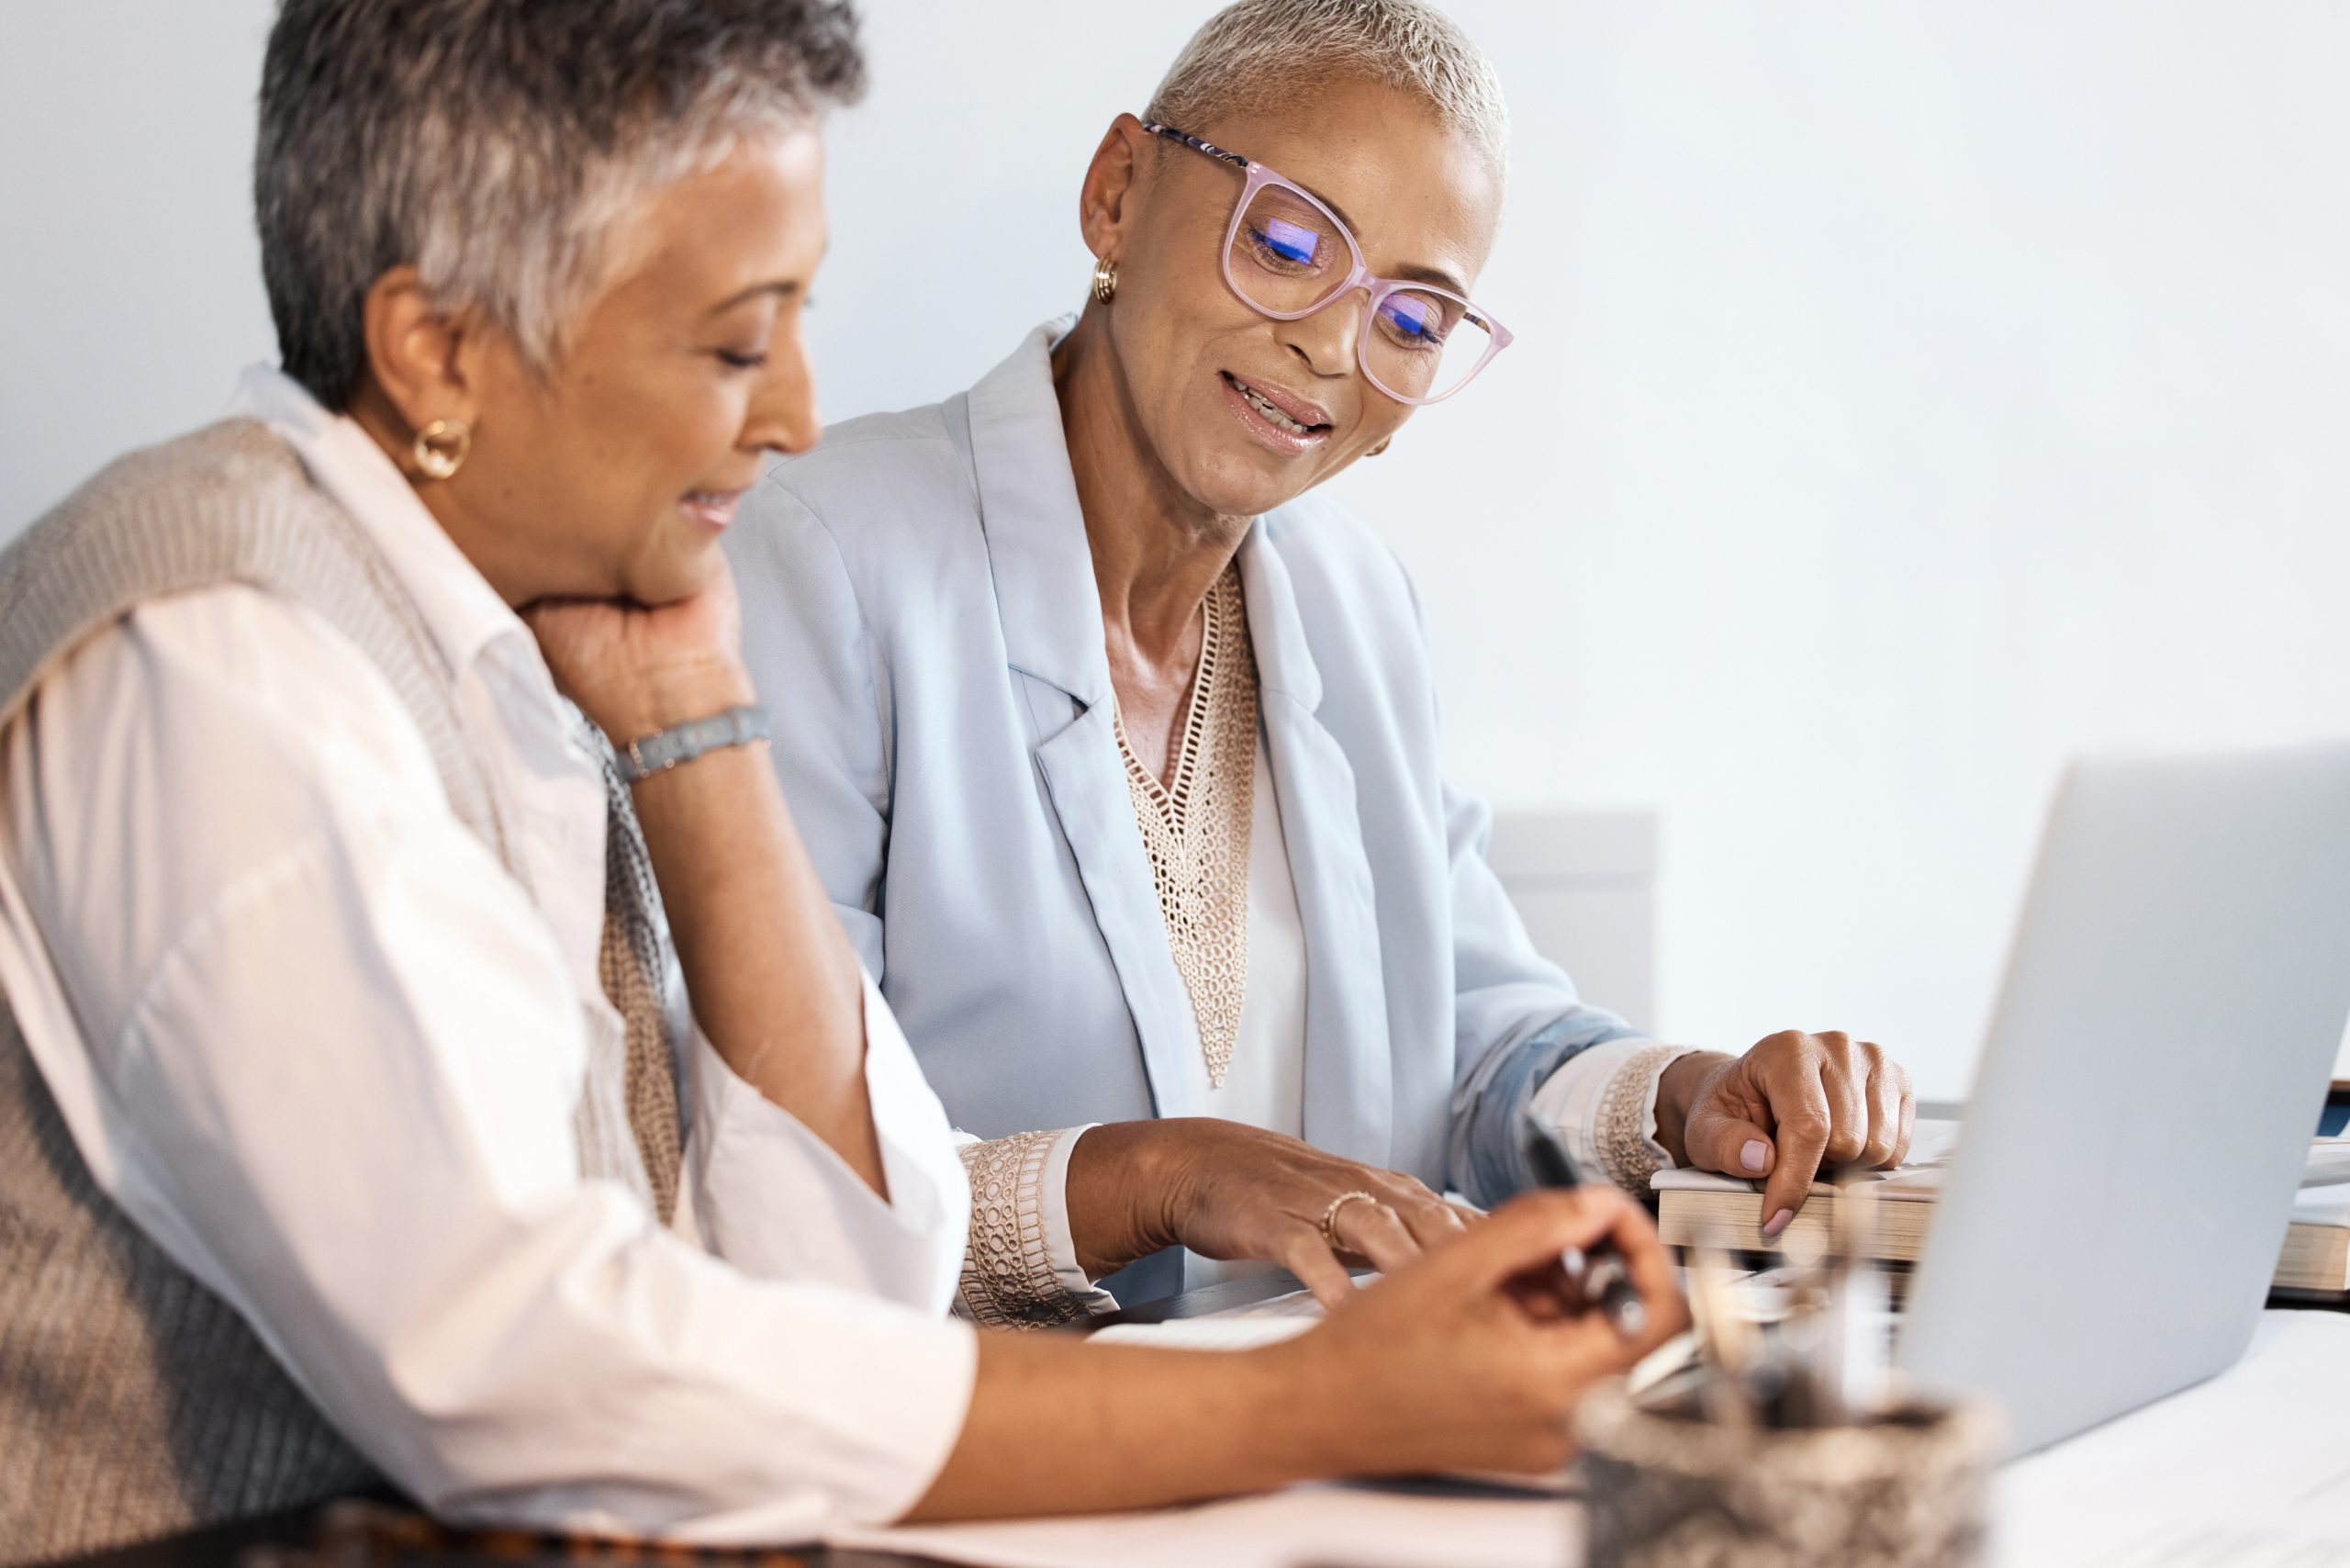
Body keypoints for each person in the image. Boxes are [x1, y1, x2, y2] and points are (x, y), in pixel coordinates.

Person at [0, 2, 1683, 1561]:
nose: (800, 415)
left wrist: (697, 718)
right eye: (740, 344)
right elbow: (540, 1377)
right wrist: (1309, 1403)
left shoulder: (517, 644)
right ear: (439, 352)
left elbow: (846, 1269)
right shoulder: (220, 675)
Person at [727, 0, 1919, 1313]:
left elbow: (1475, 1048)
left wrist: (1691, 1098)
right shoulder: (821, 554)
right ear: (1118, 193)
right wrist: (1156, 1176)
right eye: (1288, 242)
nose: (1334, 348)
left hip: (1357, 1403)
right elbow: (770, 1172)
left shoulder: (1358, 604)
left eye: (1410, 320)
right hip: (1012, 1423)